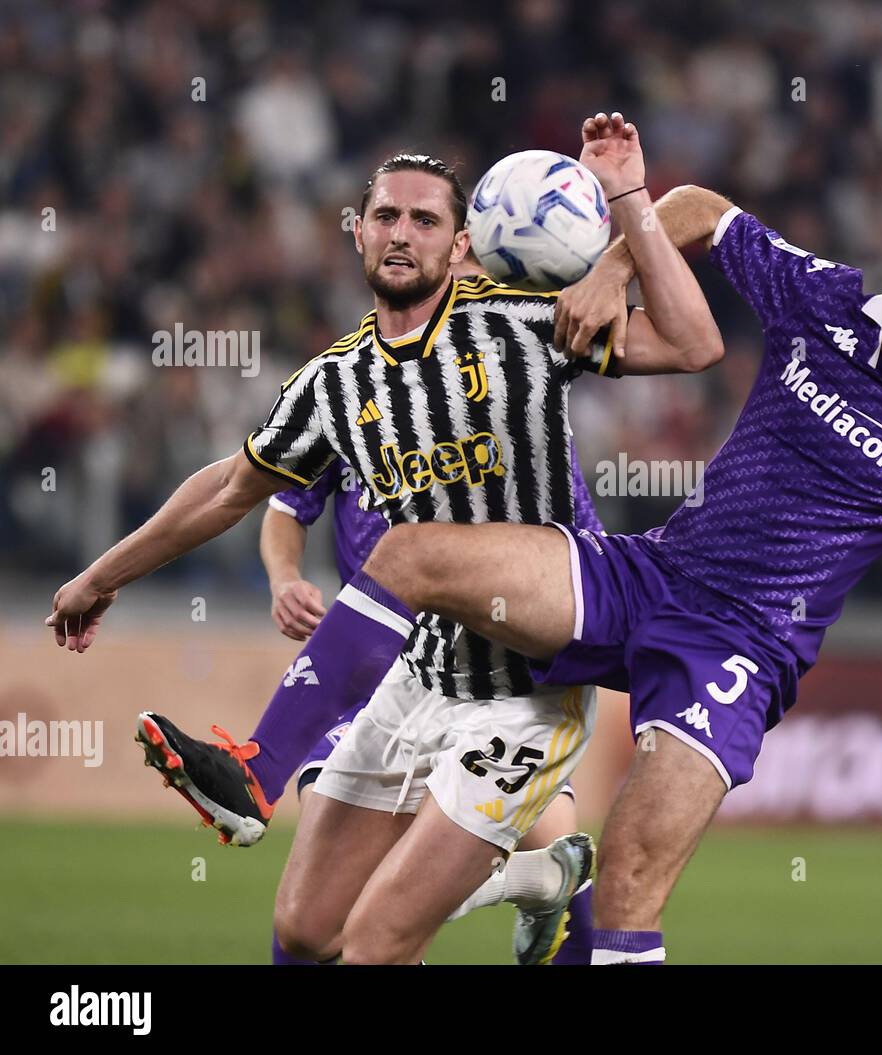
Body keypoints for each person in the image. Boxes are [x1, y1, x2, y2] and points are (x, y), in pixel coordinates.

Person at [47, 112, 724, 964]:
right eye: (385, 216)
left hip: (523, 692)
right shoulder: (333, 381)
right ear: (357, 231)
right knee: (302, 931)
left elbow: (698, 342)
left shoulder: (522, 323)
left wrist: (625, 230)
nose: (402, 233)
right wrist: (102, 575)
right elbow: (229, 488)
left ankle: (257, 769)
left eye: (425, 219)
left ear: (463, 244)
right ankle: (544, 881)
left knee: (375, 945)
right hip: (419, 678)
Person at [260, 425, 606, 964]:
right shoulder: (349, 397)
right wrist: (284, 579)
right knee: (311, 923)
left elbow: (588, 555)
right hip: (375, 672)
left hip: (497, 684)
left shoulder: (515, 409)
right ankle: (536, 879)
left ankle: (545, 882)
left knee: (549, 859)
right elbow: (281, 504)